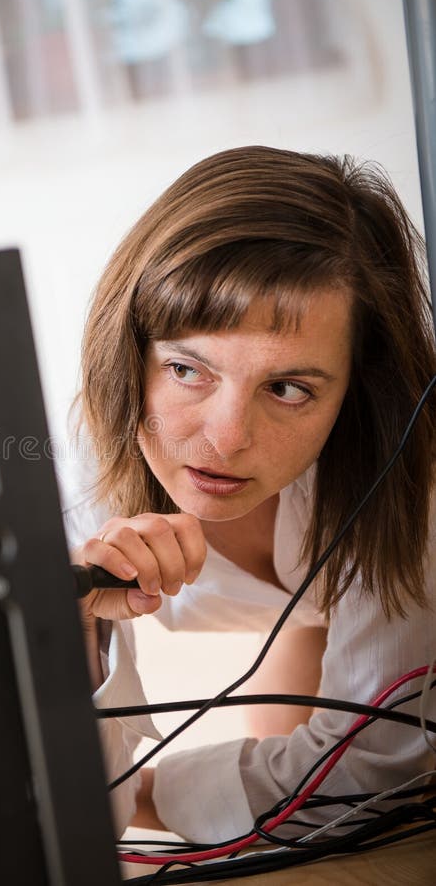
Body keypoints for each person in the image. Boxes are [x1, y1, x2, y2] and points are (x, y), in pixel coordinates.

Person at [59, 145, 436, 842]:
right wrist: (80, 632)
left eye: (288, 388)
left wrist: (150, 794)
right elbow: (72, 810)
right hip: (309, 626)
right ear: (127, 354)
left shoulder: (410, 467)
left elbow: (379, 766)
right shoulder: (71, 478)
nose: (227, 438)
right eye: (185, 369)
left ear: (357, 390)